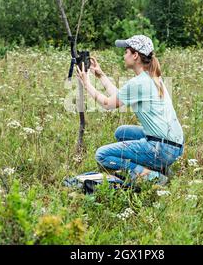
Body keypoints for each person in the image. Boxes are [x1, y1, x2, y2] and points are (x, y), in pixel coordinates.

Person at [75, 35, 184, 185]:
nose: (123, 55)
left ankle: (154, 177)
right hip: (174, 145)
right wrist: (100, 75)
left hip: (162, 148)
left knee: (102, 155)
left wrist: (87, 84)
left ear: (135, 55)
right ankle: (161, 168)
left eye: (126, 51)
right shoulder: (152, 76)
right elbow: (118, 97)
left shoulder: (139, 83)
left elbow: (107, 104)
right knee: (122, 132)